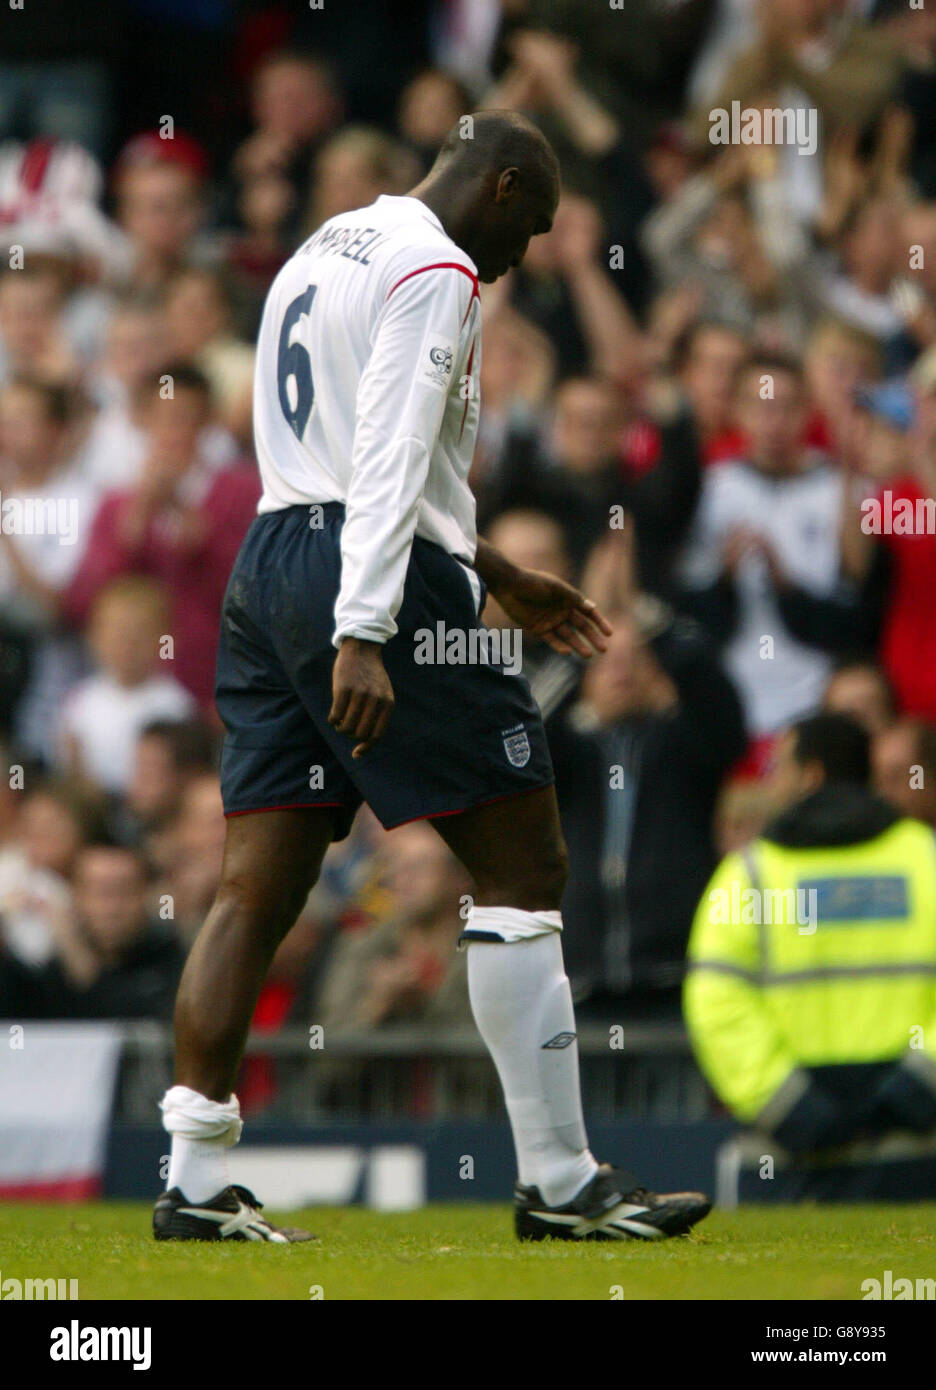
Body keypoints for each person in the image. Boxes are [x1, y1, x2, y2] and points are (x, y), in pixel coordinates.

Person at [153, 110, 711, 1245]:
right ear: (502, 184)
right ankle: (561, 1184)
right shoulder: (442, 265)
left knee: (251, 885)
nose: (525, 256)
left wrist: (498, 568)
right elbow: (396, 444)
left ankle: (195, 1179)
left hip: (272, 565)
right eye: (536, 225)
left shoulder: (327, 243)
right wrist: (365, 627)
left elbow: (340, 445)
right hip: (373, 574)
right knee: (527, 862)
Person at [685, 713, 936, 1202]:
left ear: (811, 775)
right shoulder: (927, 859)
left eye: (779, 768)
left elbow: (717, 1001)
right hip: (916, 1147)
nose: (770, 783)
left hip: (790, 1160)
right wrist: (915, 1089)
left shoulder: (749, 875)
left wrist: (789, 1104)